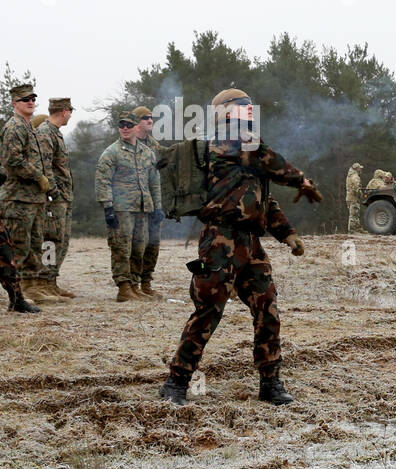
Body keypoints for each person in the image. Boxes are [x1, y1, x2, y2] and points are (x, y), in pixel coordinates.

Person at [159, 88, 322, 406]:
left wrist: (287, 234)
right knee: (207, 311)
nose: (249, 112)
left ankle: (270, 383)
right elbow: (274, 163)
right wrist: (301, 180)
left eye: (250, 107)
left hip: (251, 243)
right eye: (241, 107)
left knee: (268, 310)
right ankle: (176, 382)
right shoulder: (227, 142)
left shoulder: (247, 148)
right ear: (222, 112)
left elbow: (262, 201)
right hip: (220, 241)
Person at [95, 110, 160, 301]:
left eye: (128, 125)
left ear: (135, 127)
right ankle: (123, 287)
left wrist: (158, 207)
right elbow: (102, 181)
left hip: (142, 208)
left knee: (139, 248)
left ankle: (134, 284)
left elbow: (154, 182)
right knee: (122, 248)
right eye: (121, 125)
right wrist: (107, 206)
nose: (124, 128)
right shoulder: (111, 153)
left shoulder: (146, 152)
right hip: (121, 209)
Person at [1, 84, 53, 302]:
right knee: (18, 250)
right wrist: (38, 176)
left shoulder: (29, 127)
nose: (30, 102)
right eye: (25, 100)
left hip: (33, 199)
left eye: (32, 98)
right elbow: (12, 161)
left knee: (33, 248)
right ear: (15, 104)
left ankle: (30, 290)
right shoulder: (15, 127)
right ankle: (16, 297)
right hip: (18, 199)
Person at [35, 98, 75, 297]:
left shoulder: (55, 133)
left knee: (61, 240)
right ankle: (43, 281)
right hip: (55, 198)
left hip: (63, 197)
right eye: (70, 111)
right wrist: (54, 193)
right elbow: (45, 167)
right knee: (50, 239)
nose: (70, 115)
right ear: (64, 111)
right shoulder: (45, 133)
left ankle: (51, 281)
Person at [132, 105, 168, 295]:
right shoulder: (127, 143)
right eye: (145, 118)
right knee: (136, 245)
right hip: (133, 203)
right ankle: (132, 284)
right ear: (137, 122)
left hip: (153, 202)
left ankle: (146, 283)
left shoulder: (154, 145)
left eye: (151, 117)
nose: (150, 120)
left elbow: (168, 157)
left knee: (153, 243)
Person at [345, 162, 363, 232]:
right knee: (353, 214)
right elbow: (356, 187)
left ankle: (357, 229)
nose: (360, 169)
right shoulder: (354, 176)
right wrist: (360, 194)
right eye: (359, 168)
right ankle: (352, 230)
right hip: (353, 197)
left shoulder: (350, 175)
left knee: (355, 213)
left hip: (350, 197)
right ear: (356, 168)